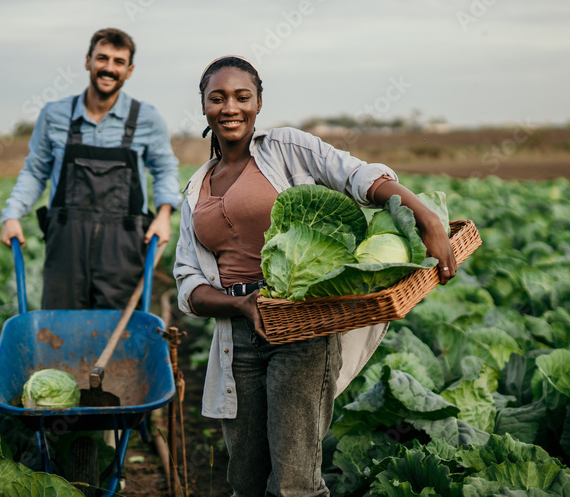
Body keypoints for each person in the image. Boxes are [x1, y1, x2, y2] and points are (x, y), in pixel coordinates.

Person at [173, 56, 457, 496]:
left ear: (259, 103)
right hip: (239, 336)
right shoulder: (196, 187)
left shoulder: (285, 147)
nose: (230, 107)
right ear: (205, 107)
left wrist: (425, 216)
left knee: (293, 482)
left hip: (302, 327)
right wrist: (241, 306)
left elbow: (359, 176)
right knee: (245, 480)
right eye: (218, 98)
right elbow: (188, 283)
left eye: (242, 97)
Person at [1, 27, 180, 310]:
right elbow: (36, 171)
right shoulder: (54, 115)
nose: (109, 68)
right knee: (60, 330)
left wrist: (164, 214)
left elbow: (165, 169)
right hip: (66, 243)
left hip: (123, 246)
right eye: (102, 58)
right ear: (88, 61)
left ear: (129, 70)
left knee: (118, 331)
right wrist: (12, 214)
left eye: (118, 62)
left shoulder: (146, 118)